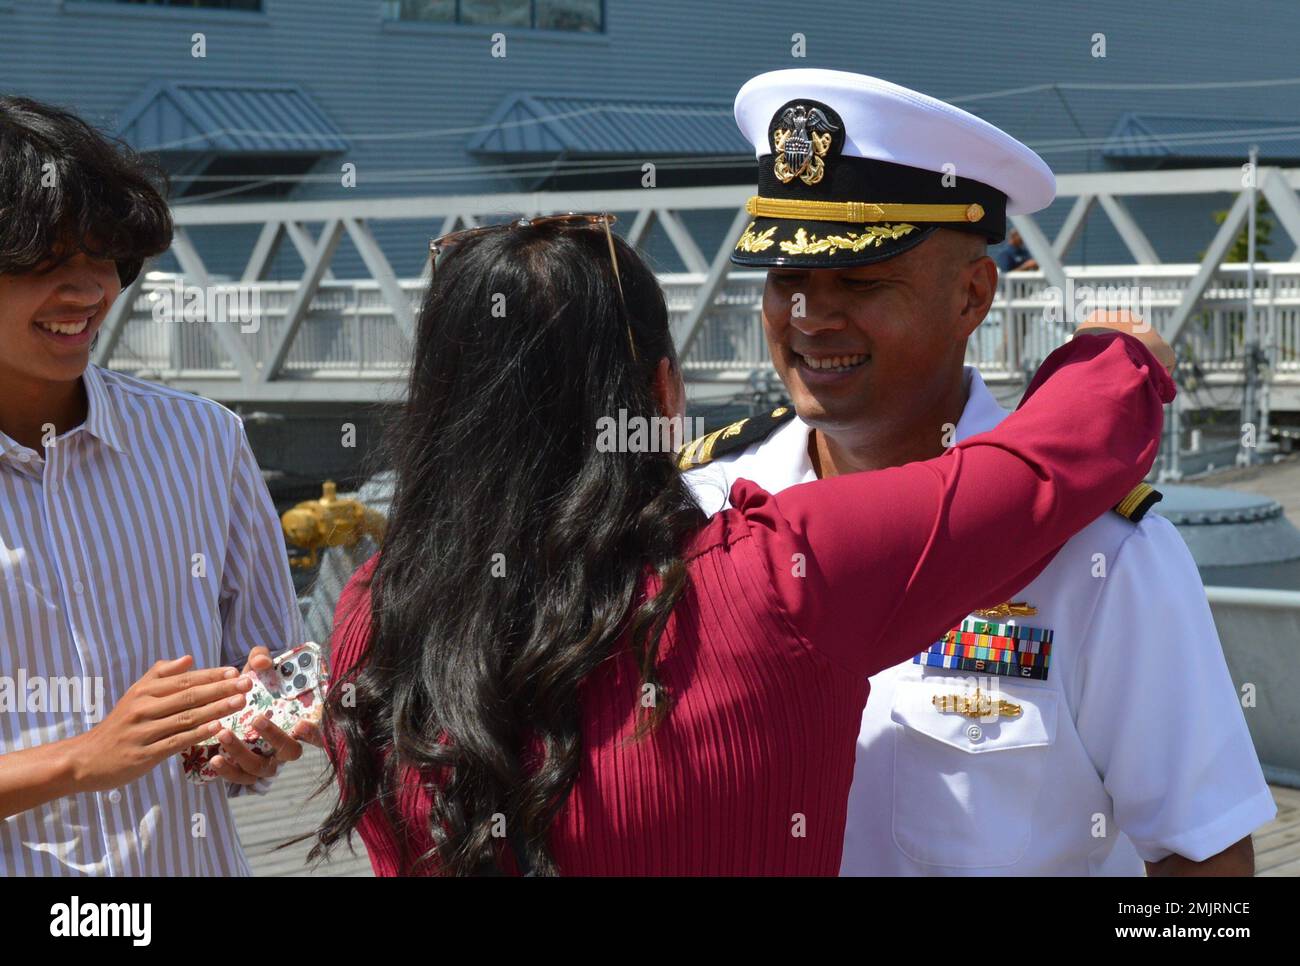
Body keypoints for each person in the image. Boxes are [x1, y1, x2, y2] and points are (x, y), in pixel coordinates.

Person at [310, 192, 1173, 873]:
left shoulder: (368, 618)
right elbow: (1033, 470)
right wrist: (1119, 359)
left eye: (864, 281)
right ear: (664, 393)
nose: (810, 314)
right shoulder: (780, 578)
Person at [683, 69, 1275, 876]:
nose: (809, 318)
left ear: (973, 294)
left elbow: (1205, 875)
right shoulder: (699, 504)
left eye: (859, 281)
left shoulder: (1103, 555)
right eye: (786, 280)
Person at [0, 96, 310, 875]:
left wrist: (258, 737)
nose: (86, 291)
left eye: (102, 257)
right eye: (42, 261)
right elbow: (102, 756)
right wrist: (83, 759)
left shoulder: (205, 441)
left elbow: (281, 667)